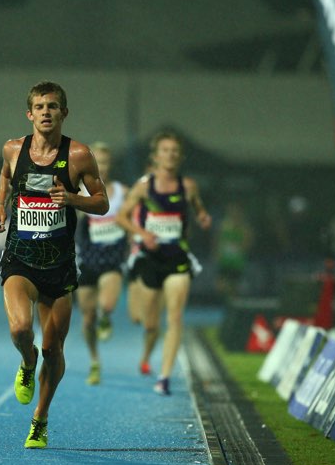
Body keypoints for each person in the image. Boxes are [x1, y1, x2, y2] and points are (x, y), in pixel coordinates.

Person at [0, 81, 109, 449]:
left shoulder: (79, 155)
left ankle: (39, 418)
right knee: (21, 328)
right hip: (20, 260)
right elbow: (6, 177)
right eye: (39, 106)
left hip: (58, 267)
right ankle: (26, 364)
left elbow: (102, 203)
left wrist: (72, 198)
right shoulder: (12, 148)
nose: (45, 112)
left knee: (53, 350)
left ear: (63, 113)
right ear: (29, 114)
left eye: (52, 106)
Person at [116, 131, 211, 395]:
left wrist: (203, 217)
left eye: (174, 151)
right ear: (156, 156)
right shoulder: (144, 187)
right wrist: (143, 234)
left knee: (176, 316)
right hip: (149, 259)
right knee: (149, 323)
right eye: (165, 150)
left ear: (179, 157)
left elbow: (198, 206)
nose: (169, 155)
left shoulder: (188, 186)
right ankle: (147, 353)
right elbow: (122, 217)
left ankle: (165, 376)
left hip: (177, 258)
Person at [74, 142, 129, 386]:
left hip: (112, 260)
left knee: (106, 304)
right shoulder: (79, 191)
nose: (102, 167)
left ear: (110, 165)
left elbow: (136, 219)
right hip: (87, 259)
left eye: (105, 162)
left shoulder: (122, 192)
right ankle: (94, 361)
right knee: (87, 319)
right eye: (97, 162)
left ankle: (106, 316)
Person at [213, 200, 253, 302]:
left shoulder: (244, 227)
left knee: (234, 288)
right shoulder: (223, 225)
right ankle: (230, 302)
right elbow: (217, 240)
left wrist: (238, 247)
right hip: (224, 261)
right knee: (220, 286)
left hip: (236, 262)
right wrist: (216, 253)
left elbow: (248, 244)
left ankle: (233, 306)